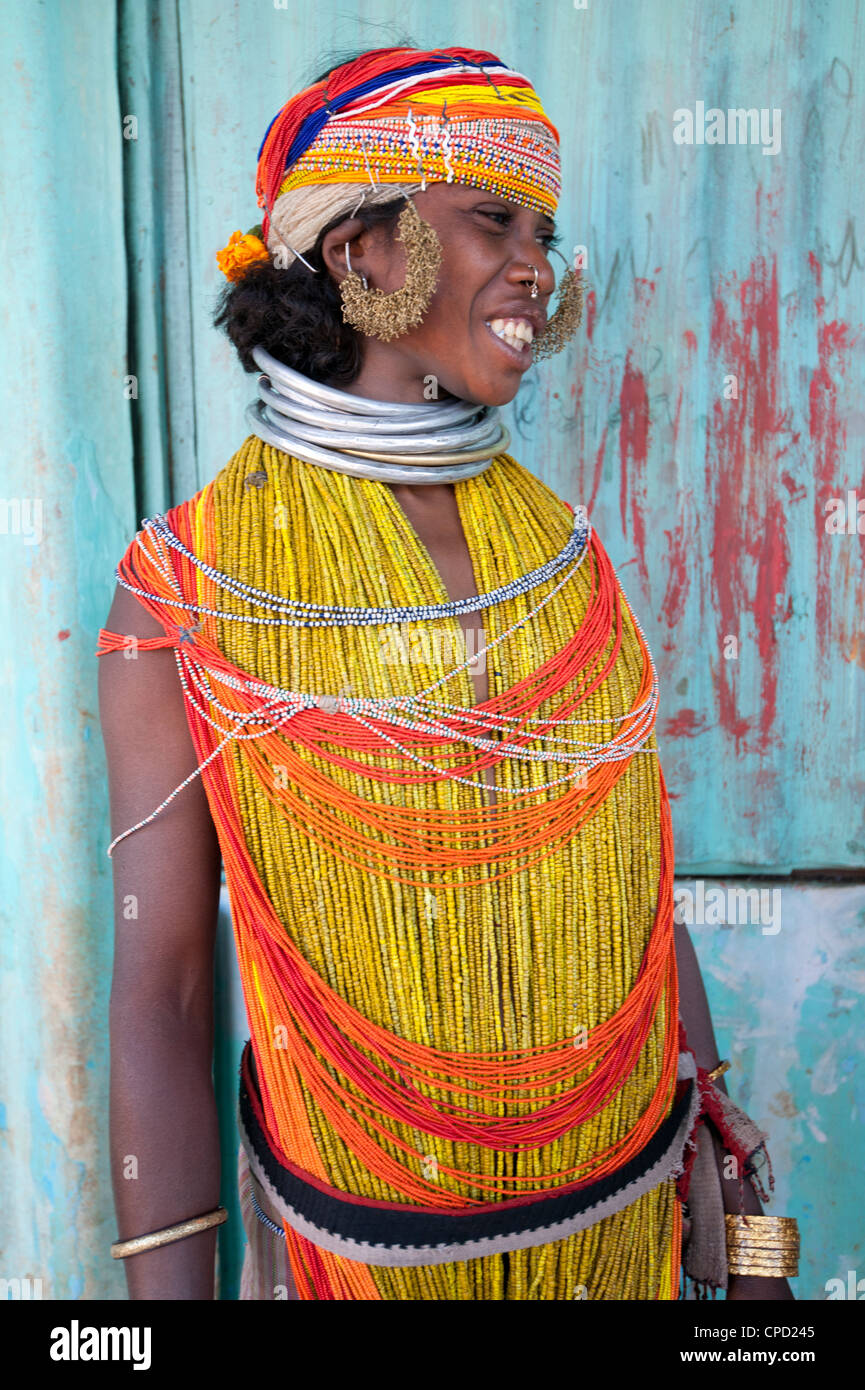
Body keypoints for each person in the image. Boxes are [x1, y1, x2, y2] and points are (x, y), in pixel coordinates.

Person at [98, 44, 798, 1300]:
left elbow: (637, 878)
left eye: (545, 229)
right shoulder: (189, 586)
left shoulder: (564, 559)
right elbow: (164, 982)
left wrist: (739, 1197)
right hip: (365, 1261)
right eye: (493, 220)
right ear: (362, 251)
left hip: (624, 1233)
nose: (539, 264)